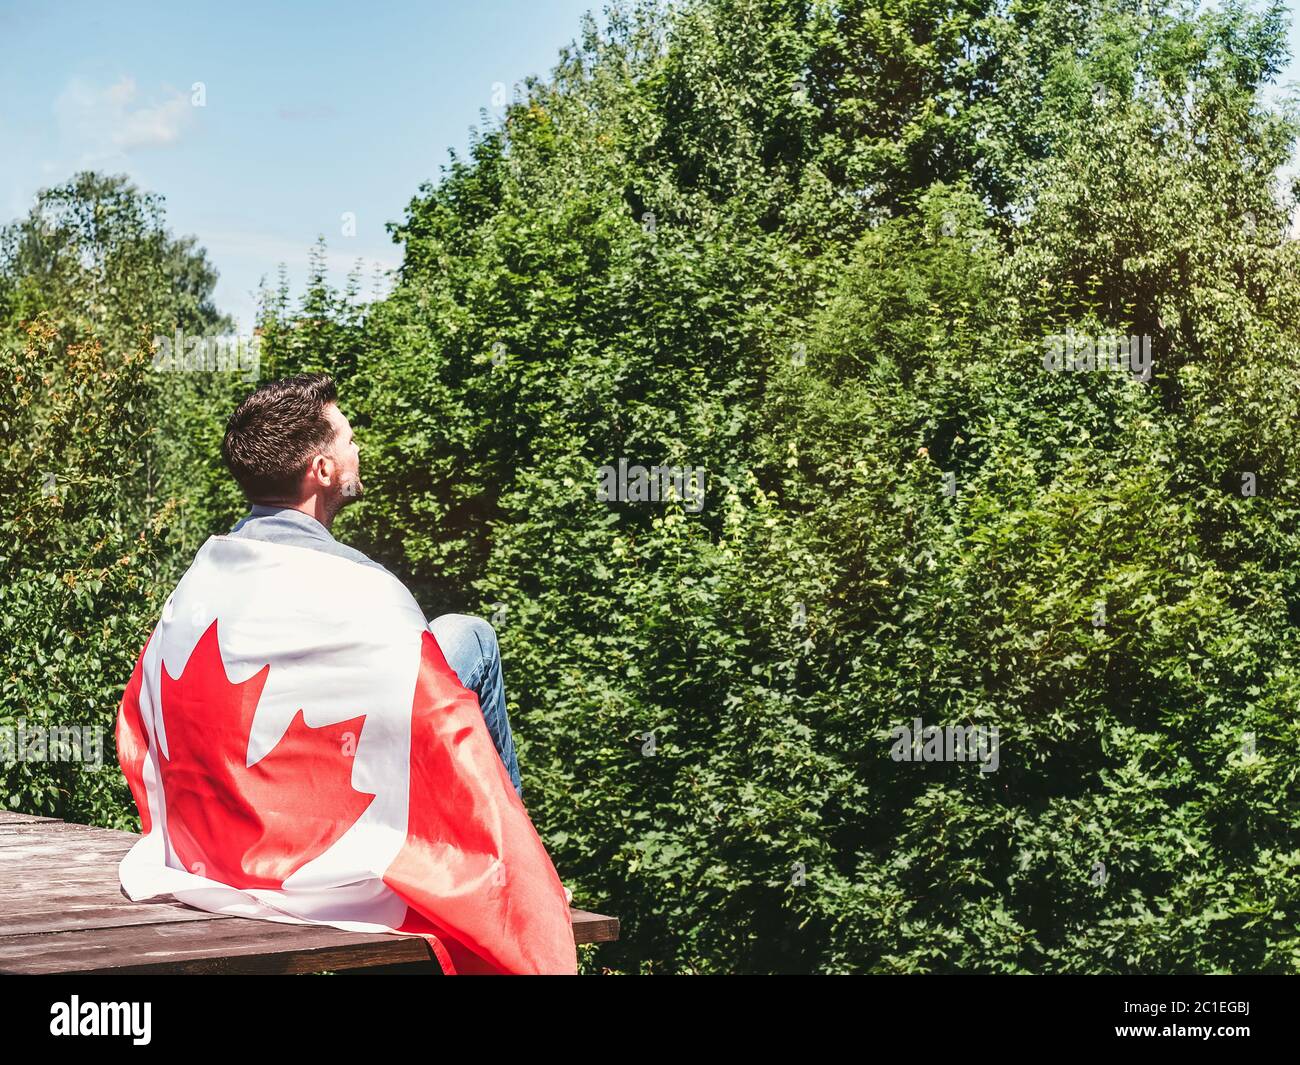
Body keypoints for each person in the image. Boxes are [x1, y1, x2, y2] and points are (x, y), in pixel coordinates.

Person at [218, 372, 524, 803]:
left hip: (243, 782)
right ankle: (509, 837)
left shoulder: (215, 562)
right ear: (323, 470)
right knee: (472, 635)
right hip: (330, 785)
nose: (358, 450)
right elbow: (422, 693)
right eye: (349, 440)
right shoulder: (359, 581)